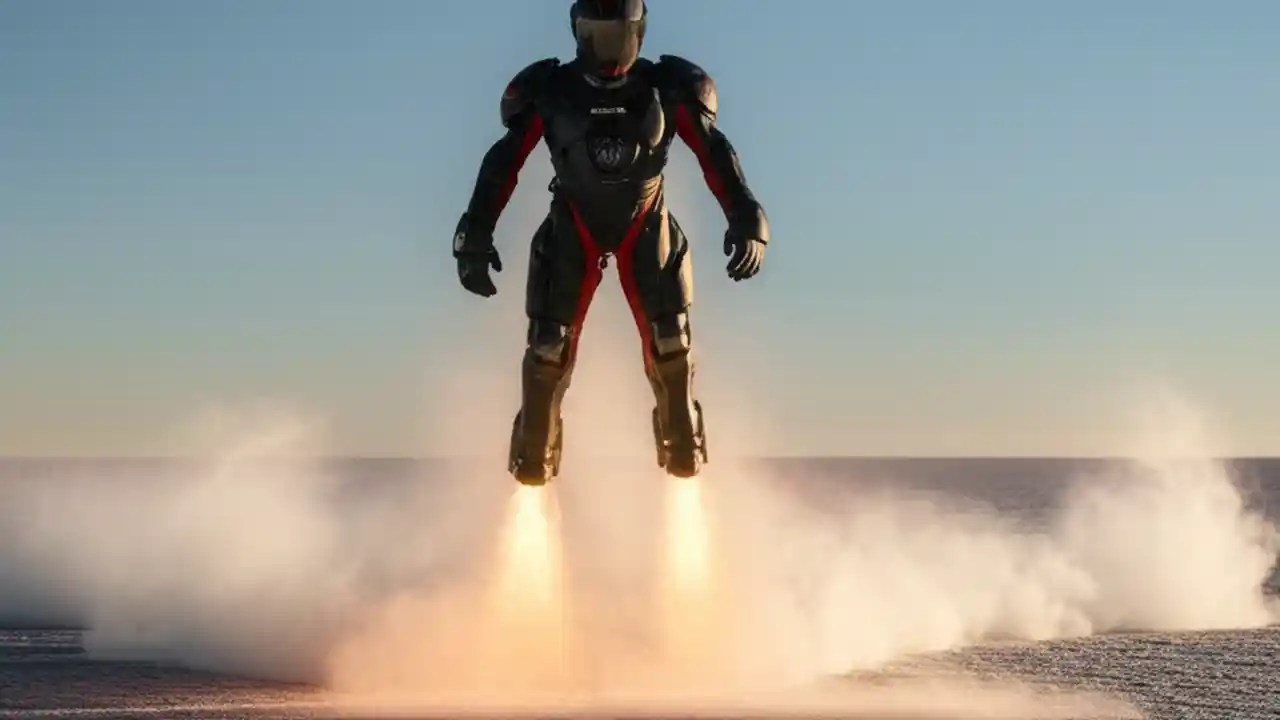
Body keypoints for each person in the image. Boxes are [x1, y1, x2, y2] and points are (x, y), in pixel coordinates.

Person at [452, 0, 771, 485]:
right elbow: (504, 161)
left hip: (644, 223)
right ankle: (535, 445)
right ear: (578, 32)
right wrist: (475, 233)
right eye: (597, 34)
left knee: (671, 346)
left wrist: (747, 218)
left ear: (637, 32)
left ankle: (681, 433)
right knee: (547, 348)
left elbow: (715, 153)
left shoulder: (667, 89)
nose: (607, 48)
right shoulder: (552, 91)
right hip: (574, 223)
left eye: (615, 33)